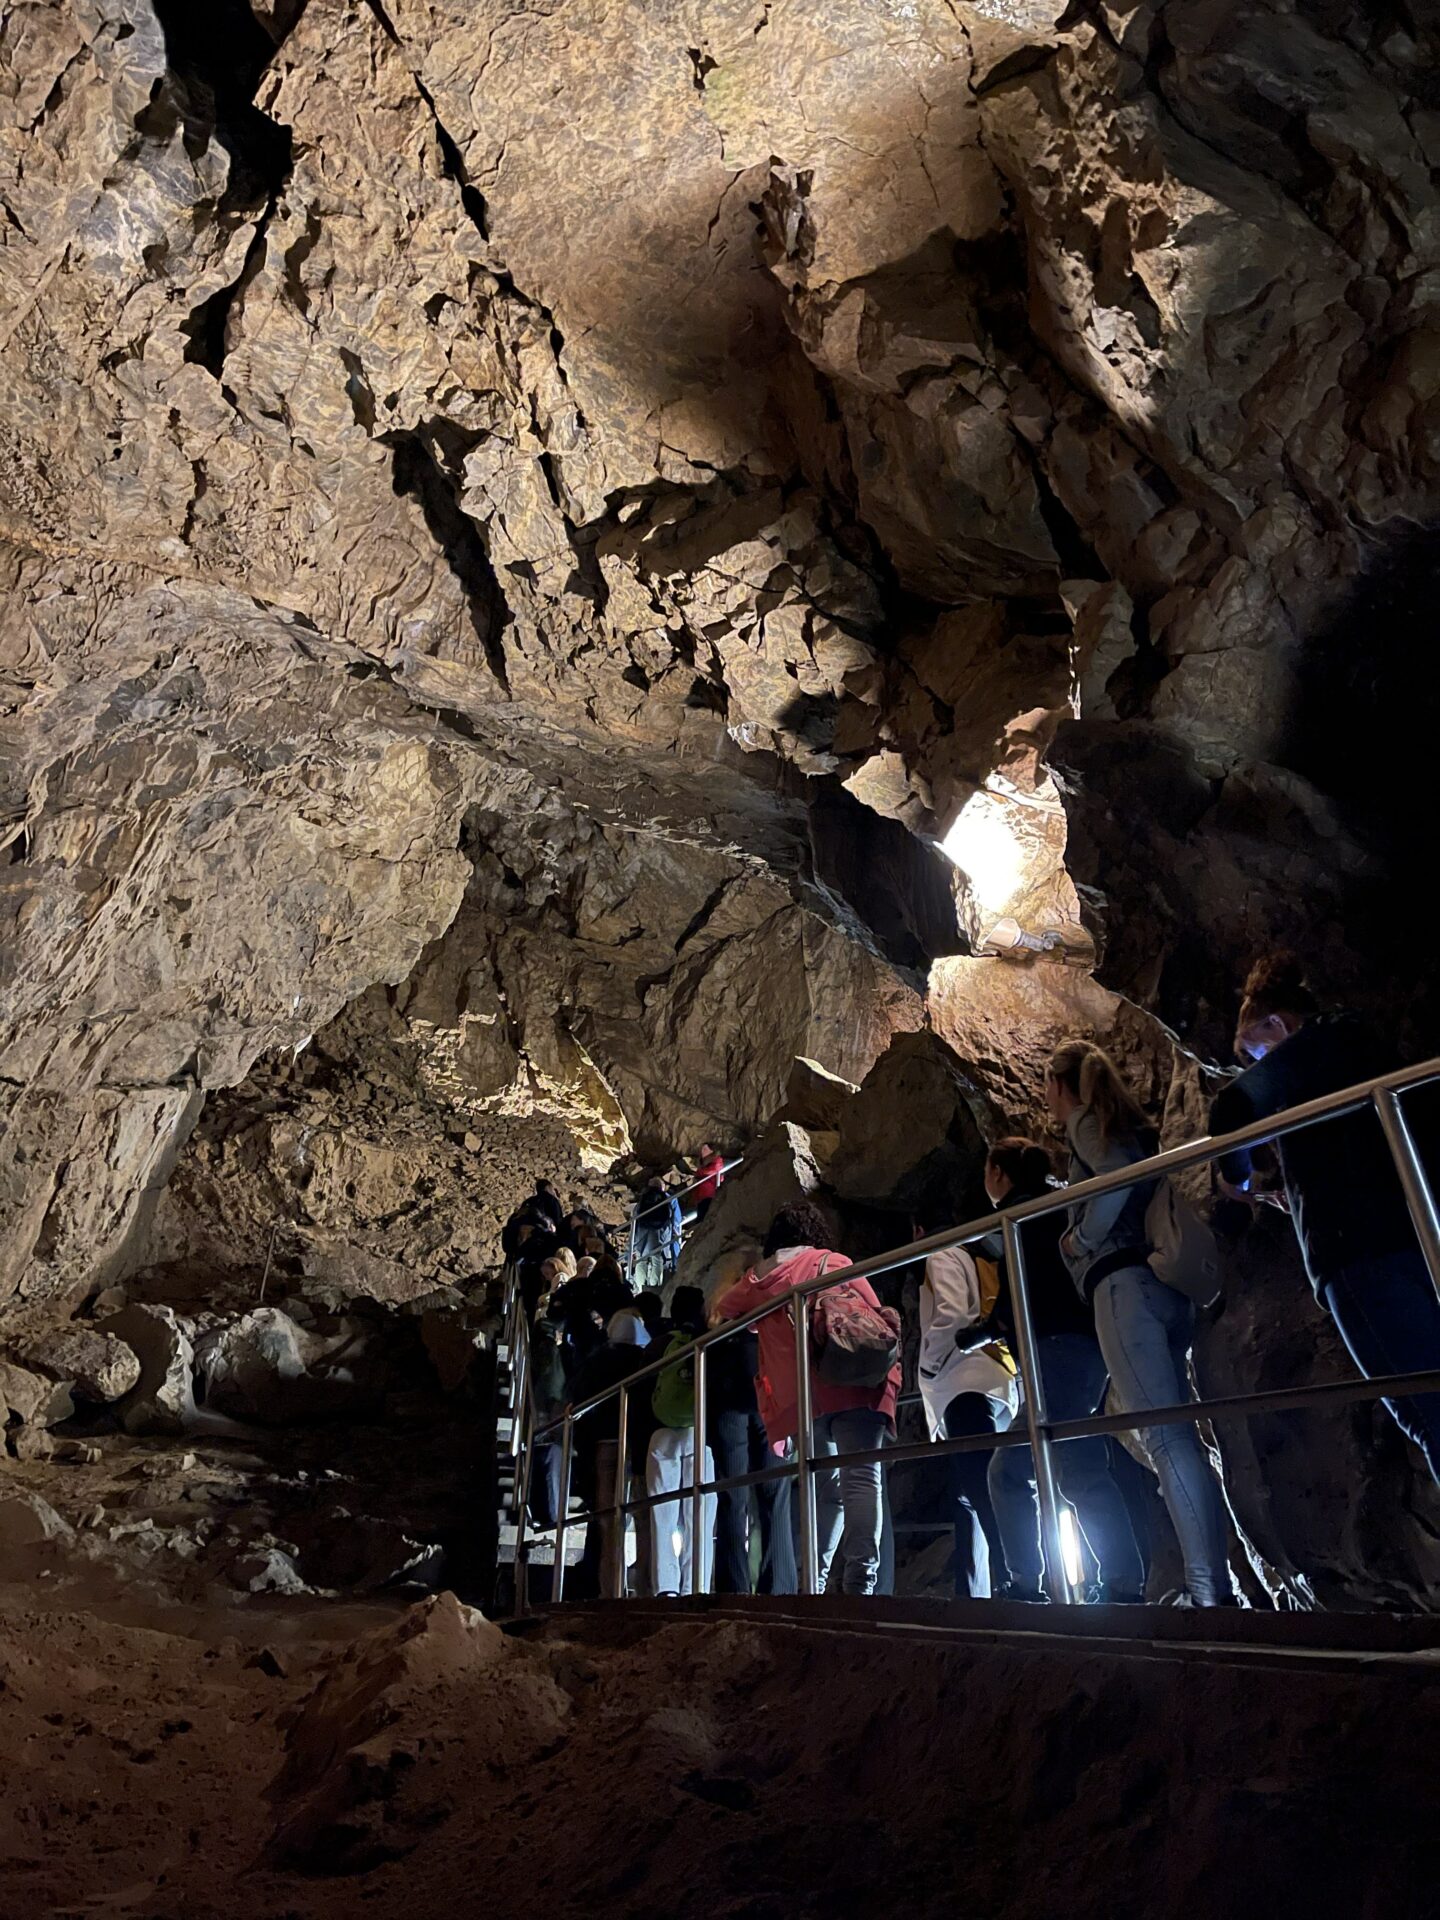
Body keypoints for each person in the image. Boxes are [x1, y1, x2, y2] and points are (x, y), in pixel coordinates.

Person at [1211, 951, 1440, 1486]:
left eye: (1257, 1051)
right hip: (1410, 1232)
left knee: (1428, 1412)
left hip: (1361, 1253)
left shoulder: (1313, 1047)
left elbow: (1232, 1111)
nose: (1258, 1064)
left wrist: (1235, 1180)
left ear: (1277, 1024)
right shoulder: (1356, 1042)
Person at [1048, 1040, 1233, 1606]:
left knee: (1165, 1438)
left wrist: (1080, 1238)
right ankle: (1214, 1585)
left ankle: (1208, 1593)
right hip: (1162, 1286)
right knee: (1179, 1438)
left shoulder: (1086, 1123)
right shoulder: (1124, 1124)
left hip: (1122, 1288)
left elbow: (1115, 1176)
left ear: (1058, 1085)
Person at [979, 1140, 1146, 1604]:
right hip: (1086, 1344)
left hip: (1054, 1349)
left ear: (999, 1173)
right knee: (1079, 1466)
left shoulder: (1016, 1218)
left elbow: (1019, 1295)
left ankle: (1028, 1584)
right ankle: (1122, 1581)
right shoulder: (1060, 1205)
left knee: (1011, 1471)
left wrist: (988, 1328)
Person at [717, 1200, 900, 1597]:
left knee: (827, 1491)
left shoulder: (760, 1279)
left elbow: (723, 1309)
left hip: (807, 1399)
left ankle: (812, 1583)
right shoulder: (832, 1262)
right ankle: (860, 1583)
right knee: (861, 1479)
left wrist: (760, 1321)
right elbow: (873, 1309)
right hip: (856, 1380)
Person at [913, 1212, 1018, 1599]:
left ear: (918, 1231)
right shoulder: (979, 1254)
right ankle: (975, 1592)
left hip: (964, 1383)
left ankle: (1012, 1581)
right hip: (997, 1379)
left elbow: (953, 1315)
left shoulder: (941, 1254)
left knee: (981, 1490)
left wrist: (929, 1366)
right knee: (970, 1491)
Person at [704, 1297, 797, 1596]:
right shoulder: (769, 1318)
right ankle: (779, 1586)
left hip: (727, 1399)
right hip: (768, 1397)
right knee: (775, 1494)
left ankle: (733, 1587)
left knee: (732, 1496)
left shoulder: (718, 1329)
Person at [569, 1299, 654, 1599]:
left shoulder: (598, 1361)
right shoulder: (647, 1360)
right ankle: (645, 1590)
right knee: (644, 1522)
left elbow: (578, 1400)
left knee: (610, 1525)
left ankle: (611, 1592)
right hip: (640, 1448)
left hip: (605, 1445)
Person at [646, 1287, 718, 1595]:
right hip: (699, 1434)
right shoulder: (709, 1342)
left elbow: (643, 1393)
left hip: (661, 1434)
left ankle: (666, 1587)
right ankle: (696, 1586)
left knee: (662, 1516)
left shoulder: (658, 1345)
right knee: (699, 1516)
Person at [630, 1175, 684, 1288]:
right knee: (657, 1259)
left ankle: (640, 1288)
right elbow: (675, 1219)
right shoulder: (668, 1199)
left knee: (641, 1260)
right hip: (659, 1232)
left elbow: (635, 1215)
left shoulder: (644, 1198)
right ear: (662, 1187)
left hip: (642, 1231)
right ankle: (655, 1286)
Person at [690, 1144, 727, 1224]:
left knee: (703, 1217)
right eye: (702, 1149)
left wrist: (699, 1173)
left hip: (709, 1194)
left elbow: (715, 1169)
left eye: (705, 1149)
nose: (702, 1151)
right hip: (701, 1196)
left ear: (711, 1151)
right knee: (701, 1217)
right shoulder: (703, 1164)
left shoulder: (716, 1161)